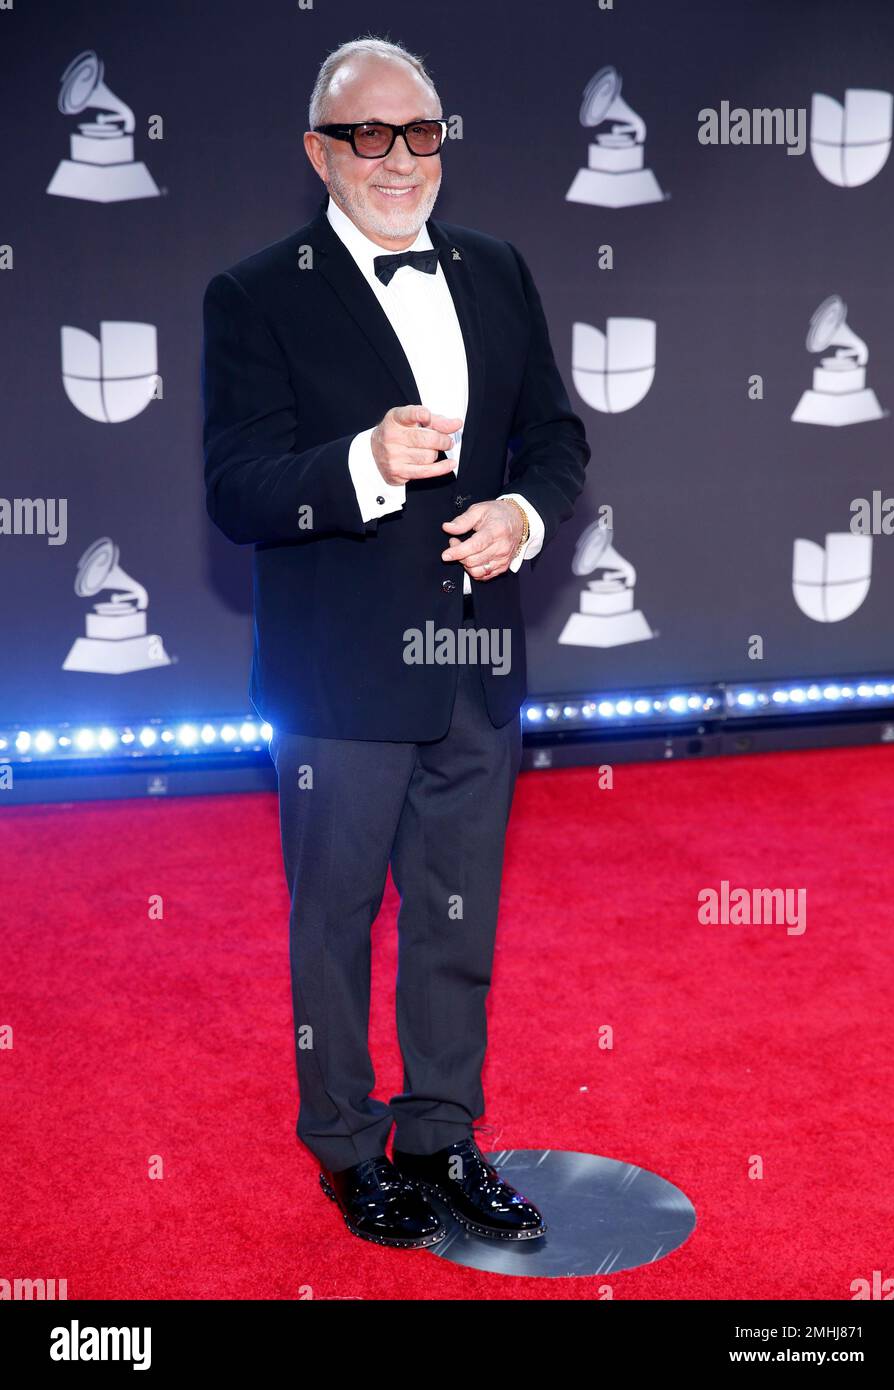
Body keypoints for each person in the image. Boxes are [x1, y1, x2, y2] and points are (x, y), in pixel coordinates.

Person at [202, 35, 589, 1249]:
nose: (399, 158)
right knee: (333, 921)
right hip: (336, 678)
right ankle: (343, 1147)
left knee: (454, 918)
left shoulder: (496, 266)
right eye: (368, 134)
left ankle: (438, 1134)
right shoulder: (254, 294)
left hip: (474, 663)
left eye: (420, 132)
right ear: (318, 151)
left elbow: (555, 438)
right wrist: (362, 463)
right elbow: (237, 489)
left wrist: (522, 515)